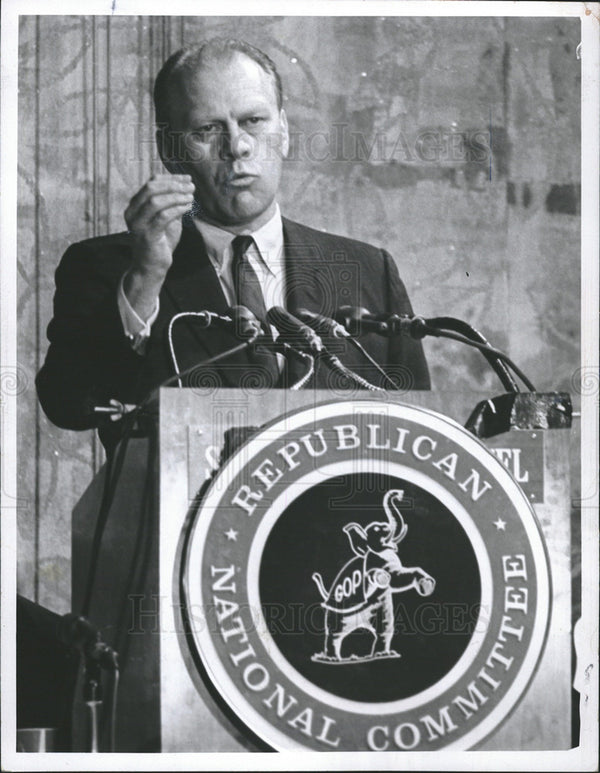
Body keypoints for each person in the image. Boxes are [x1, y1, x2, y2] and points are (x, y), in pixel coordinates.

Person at [36, 38, 430, 448]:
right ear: (169, 150)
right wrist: (146, 276)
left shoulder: (368, 270)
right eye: (207, 129)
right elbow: (69, 405)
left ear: (286, 131)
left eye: (254, 121)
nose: (237, 146)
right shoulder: (108, 266)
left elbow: (423, 435)